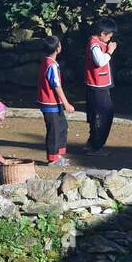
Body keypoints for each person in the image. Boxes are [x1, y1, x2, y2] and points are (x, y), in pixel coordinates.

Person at [37, 35, 74, 167]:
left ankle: (58, 155)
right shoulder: (51, 65)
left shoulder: (46, 62)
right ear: (58, 48)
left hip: (52, 103)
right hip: (50, 103)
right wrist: (66, 103)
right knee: (54, 130)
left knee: (62, 126)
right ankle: (53, 157)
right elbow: (56, 85)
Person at [83, 18, 117, 154]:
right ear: (102, 33)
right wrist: (110, 51)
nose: (110, 38)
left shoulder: (96, 43)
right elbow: (99, 62)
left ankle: (92, 144)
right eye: (109, 35)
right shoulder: (95, 45)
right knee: (103, 115)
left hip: (98, 85)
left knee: (98, 114)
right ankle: (96, 146)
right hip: (97, 86)